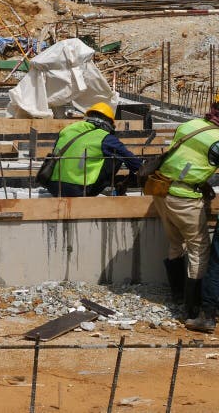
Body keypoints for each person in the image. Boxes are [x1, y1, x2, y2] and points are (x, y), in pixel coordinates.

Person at [153, 96, 219, 325]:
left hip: (161, 190)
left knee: (176, 243)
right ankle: (193, 309)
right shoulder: (217, 140)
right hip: (184, 198)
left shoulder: (189, 125)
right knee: (199, 248)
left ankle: (179, 295)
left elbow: (184, 160)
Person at [44, 103, 142, 198]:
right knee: (117, 157)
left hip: (53, 187)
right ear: (108, 122)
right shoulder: (105, 137)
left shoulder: (68, 129)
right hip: (78, 190)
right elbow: (134, 162)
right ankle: (109, 189)